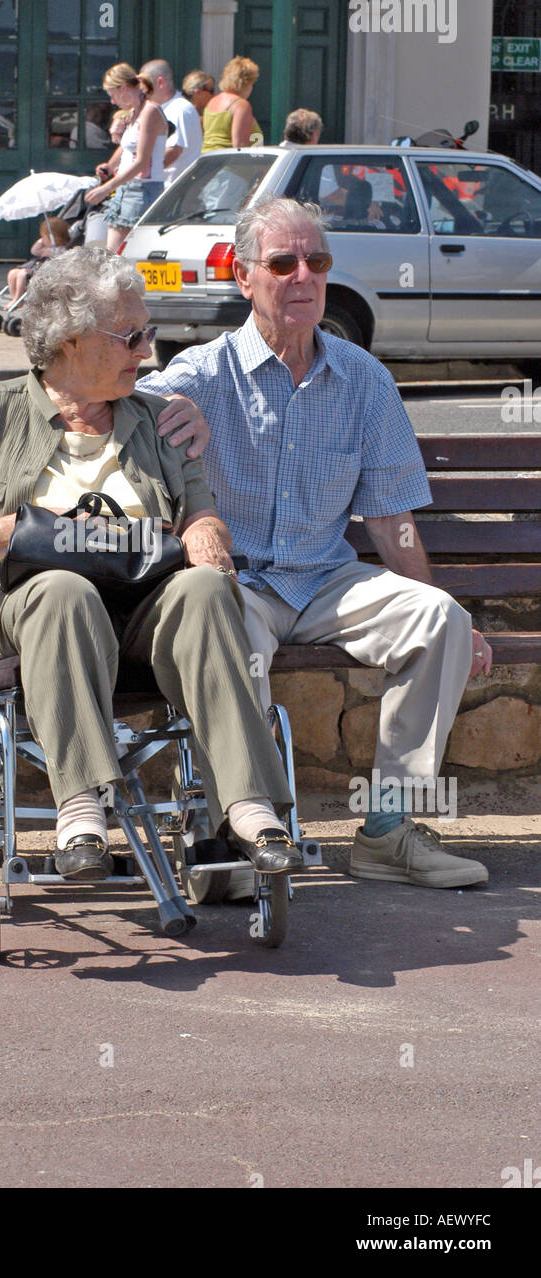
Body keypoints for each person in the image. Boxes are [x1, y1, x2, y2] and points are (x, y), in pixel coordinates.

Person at [137, 195, 493, 890]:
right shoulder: (198, 378)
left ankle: (388, 832)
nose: (303, 276)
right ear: (243, 278)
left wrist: (449, 606)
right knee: (225, 637)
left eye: (317, 261)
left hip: (327, 577)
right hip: (238, 579)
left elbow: (391, 520)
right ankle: (237, 832)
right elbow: (106, 413)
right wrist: (154, 418)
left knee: (440, 621)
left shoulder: (364, 380)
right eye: (283, 262)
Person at [0, 246, 296, 883]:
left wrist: (207, 536)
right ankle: (81, 808)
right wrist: (47, 535)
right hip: (28, 609)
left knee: (203, 588)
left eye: (147, 333)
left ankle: (249, 807)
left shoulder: (158, 418)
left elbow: (199, 512)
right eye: (131, 336)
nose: (146, 350)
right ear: (68, 341)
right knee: (64, 587)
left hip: (145, 609)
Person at [84, 64, 169, 253]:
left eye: (112, 95)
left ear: (124, 88)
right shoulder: (134, 113)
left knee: (123, 255)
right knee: (114, 254)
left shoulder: (150, 112)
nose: (112, 101)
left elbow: (141, 161)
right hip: (127, 187)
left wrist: (107, 188)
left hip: (142, 189)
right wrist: (110, 165)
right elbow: (126, 148)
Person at [138, 58, 203, 185]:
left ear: (160, 82)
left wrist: (138, 173)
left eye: (144, 83)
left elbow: (173, 151)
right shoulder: (154, 108)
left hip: (171, 191)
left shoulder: (179, 109)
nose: (140, 89)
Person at [202, 56, 263, 152]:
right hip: (228, 164)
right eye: (252, 83)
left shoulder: (212, 102)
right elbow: (240, 145)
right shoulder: (240, 105)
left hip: (207, 160)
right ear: (246, 83)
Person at [5, 216, 70, 304]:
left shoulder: (61, 250)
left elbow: (65, 260)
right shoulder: (45, 248)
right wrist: (41, 242)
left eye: (43, 237)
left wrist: (53, 254)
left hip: (47, 272)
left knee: (22, 275)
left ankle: (17, 299)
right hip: (36, 267)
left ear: (53, 238)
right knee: (12, 273)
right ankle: (15, 298)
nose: (42, 239)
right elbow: (34, 251)